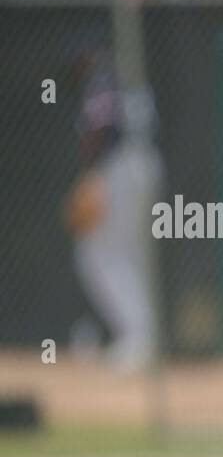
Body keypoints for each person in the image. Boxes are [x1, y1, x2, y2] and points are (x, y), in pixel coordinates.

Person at [63, 44, 163, 374]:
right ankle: (143, 337)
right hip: (145, 163)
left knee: (97, 255)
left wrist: (92, 175)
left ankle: (138, 339)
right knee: (126, 254)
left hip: (118, 166)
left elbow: (101, 131)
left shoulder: (101, 81)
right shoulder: (129, 79)